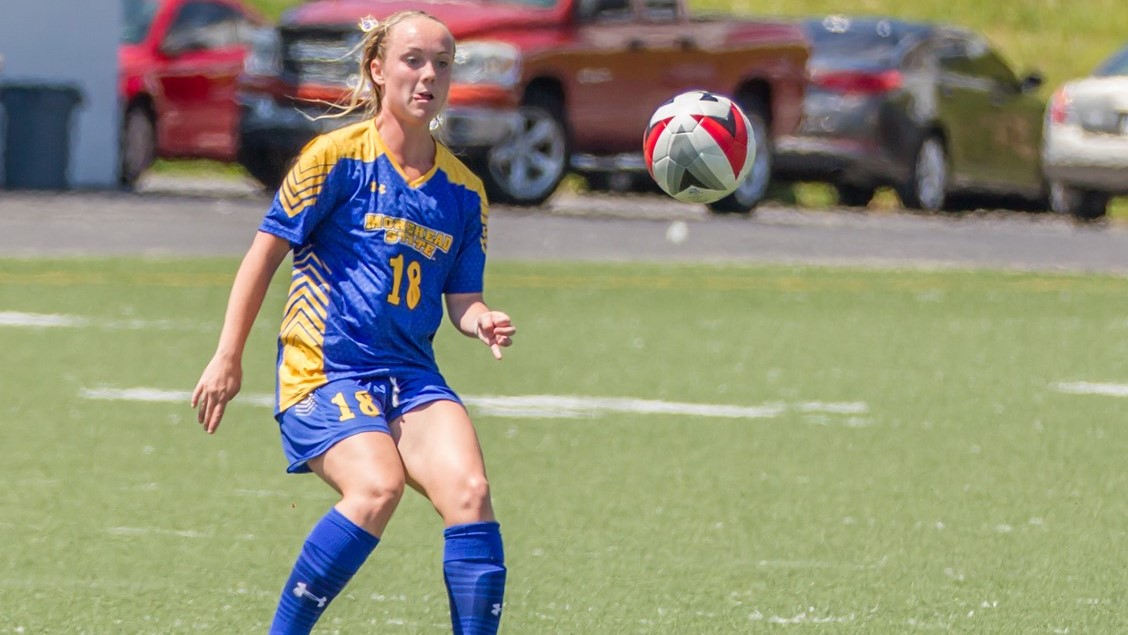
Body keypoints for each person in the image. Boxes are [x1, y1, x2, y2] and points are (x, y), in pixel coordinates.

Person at [190, 11, 515, 634]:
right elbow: (262, 258)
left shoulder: (464, 191)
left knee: (471, 495)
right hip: (323, 371)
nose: (428, 76)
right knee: (376, 488)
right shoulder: (333, 158)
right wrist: (227, 356)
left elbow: (462, 301)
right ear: (377, 70)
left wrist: (483, 320)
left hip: (411, 376)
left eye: (442, 64)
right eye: (412, 60)